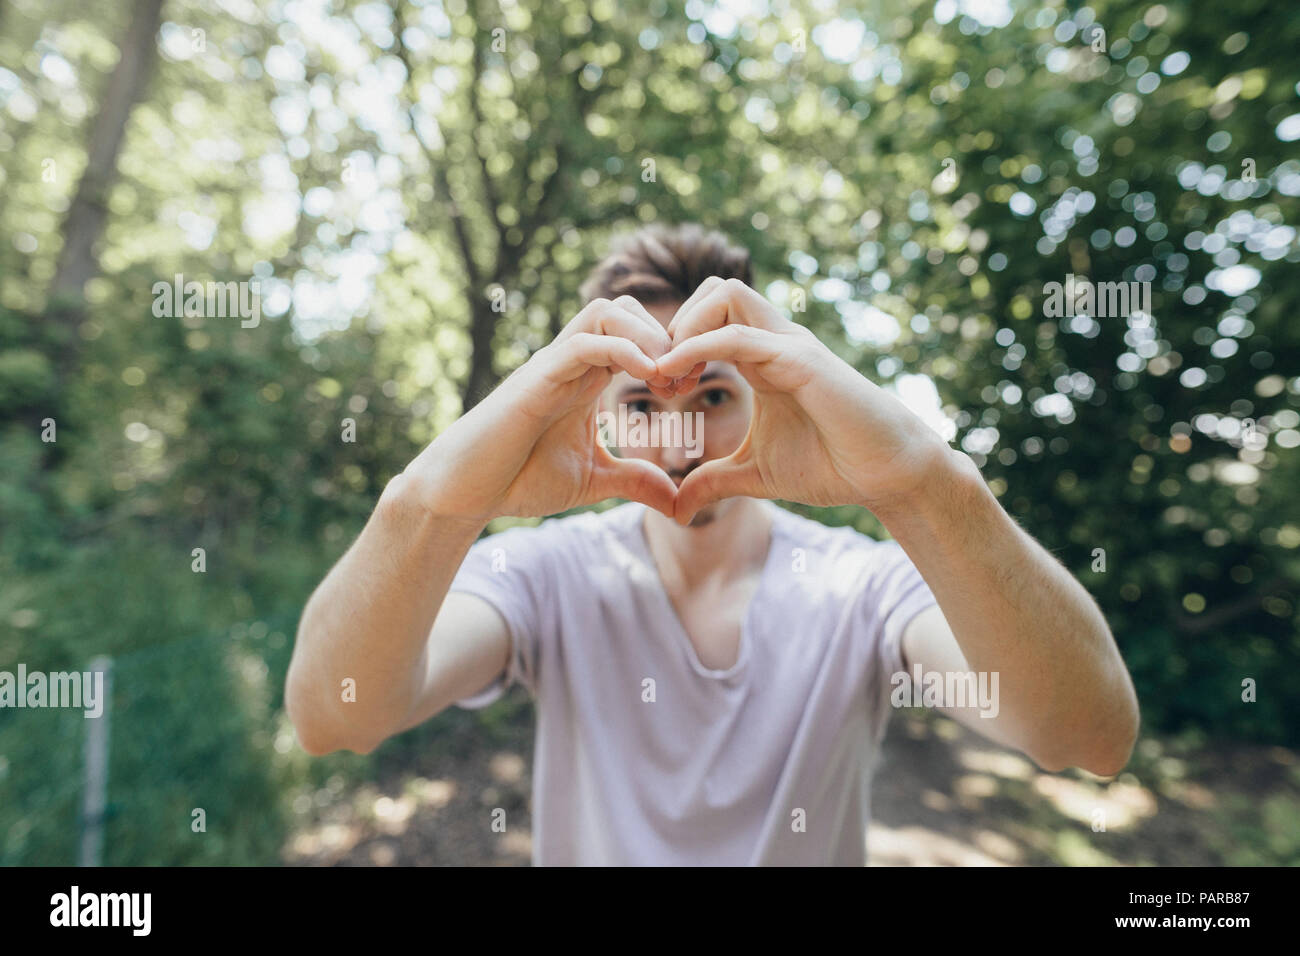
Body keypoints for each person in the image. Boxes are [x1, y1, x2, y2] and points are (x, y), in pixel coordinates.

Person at [285, 222, 1140, 865]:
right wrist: (437, 503)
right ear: (600, 415)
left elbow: (1085, 735)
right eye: (644, 406)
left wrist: (922, 483)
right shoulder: (547, 573)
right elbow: (336, 716)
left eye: (713, 397)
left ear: (764, 397)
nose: (678, 440)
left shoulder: (862, 585)